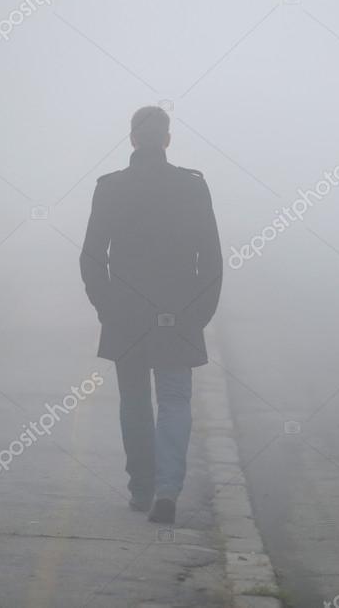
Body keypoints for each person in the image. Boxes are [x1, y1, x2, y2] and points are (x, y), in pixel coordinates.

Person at [80, 106, 223, 524]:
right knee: (176, 400)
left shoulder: (110, 188)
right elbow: (210, 259)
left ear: (132, 139)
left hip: (126, 315)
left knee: (135, 402)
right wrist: (198, 314)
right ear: (167, 140)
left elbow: (92, 257)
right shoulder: (192, 187)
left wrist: (107, 307)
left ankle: (141, 488)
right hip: (179, 314)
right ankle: (167, 490)